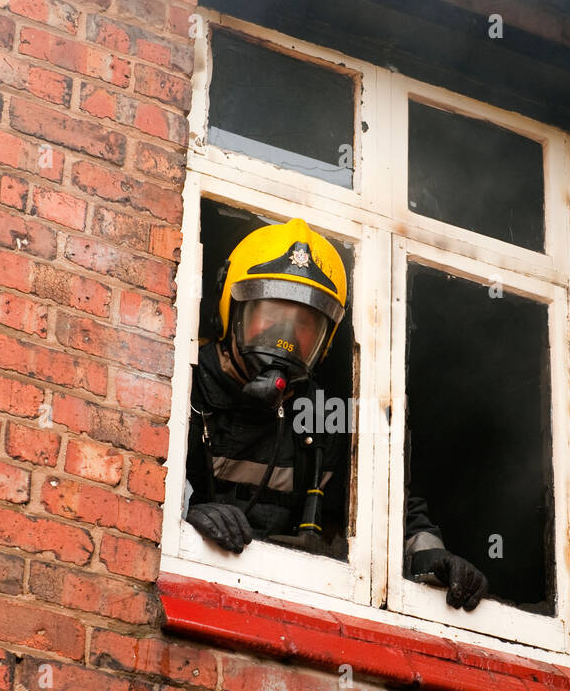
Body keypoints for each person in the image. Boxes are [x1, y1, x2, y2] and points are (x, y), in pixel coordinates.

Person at [185, 217, 488, 612]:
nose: (285, 337)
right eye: (272, 314)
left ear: (325, 339)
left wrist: (430, 558)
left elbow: (386, 509)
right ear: (233, 309)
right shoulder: (184, 388)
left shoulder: (326, 417)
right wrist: (186, 513)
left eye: (304, 324)